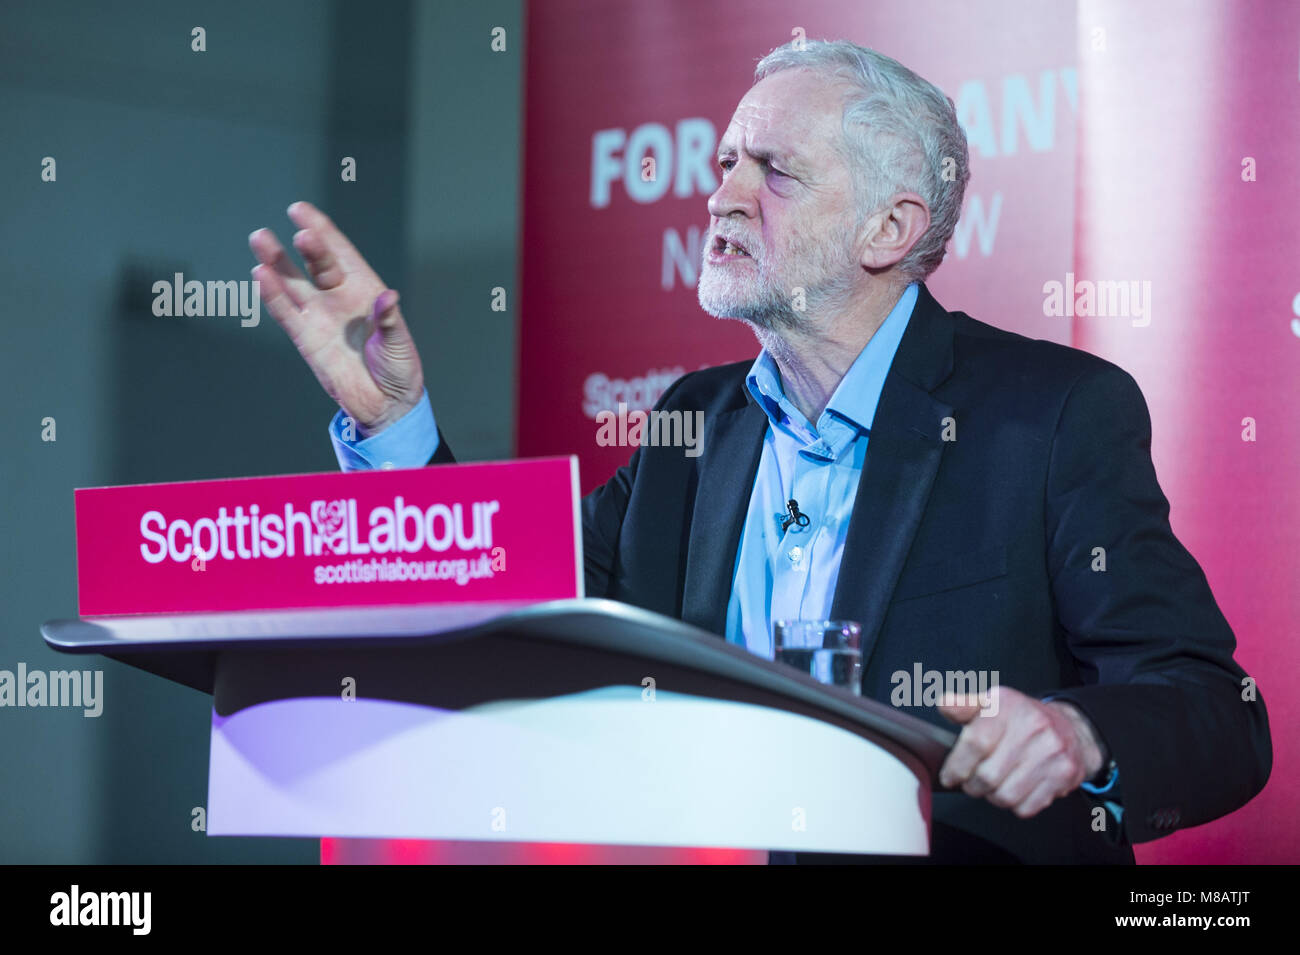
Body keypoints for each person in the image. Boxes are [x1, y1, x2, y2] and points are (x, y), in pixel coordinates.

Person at [248, 39, 1271, 863]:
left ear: (888, 227)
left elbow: (1217, 713)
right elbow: (503, 595)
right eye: (726, 163)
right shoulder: (691, 427)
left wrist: (1077, 735)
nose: (722, 196)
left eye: (772, 171)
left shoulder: (1047, 416)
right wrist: (397, 421)